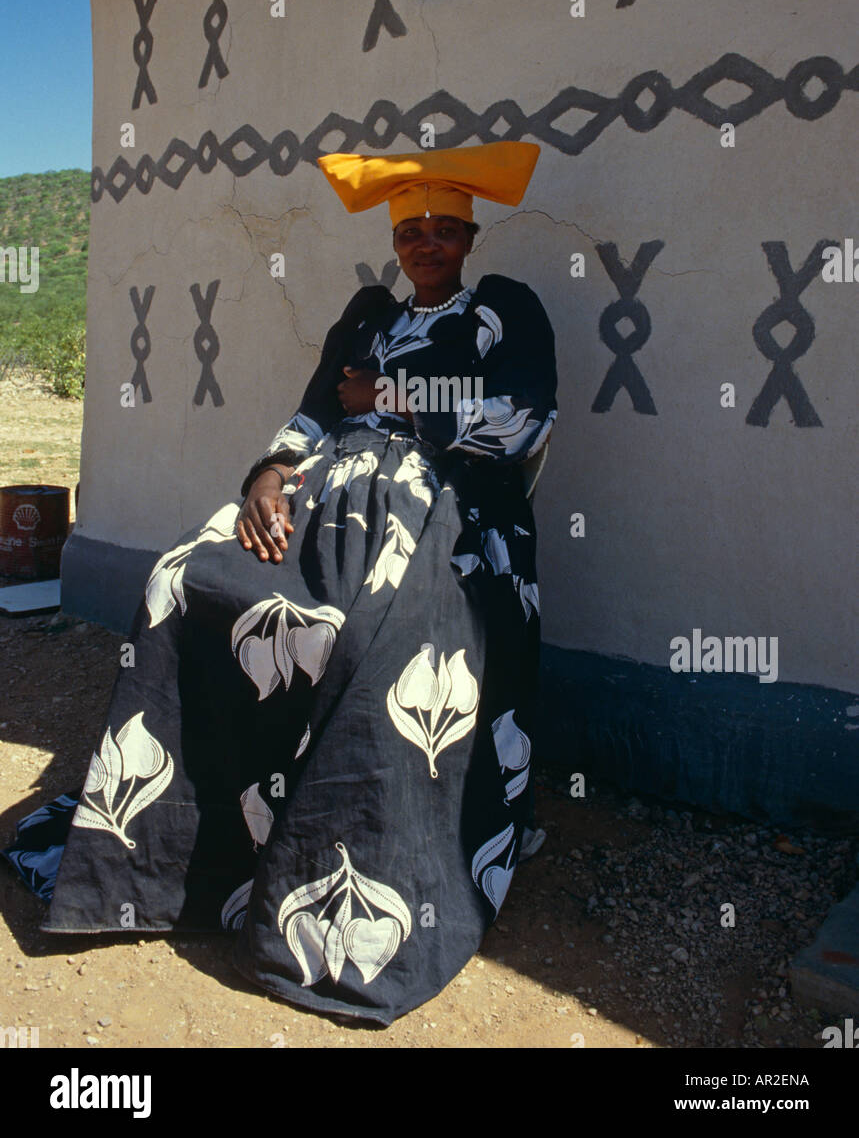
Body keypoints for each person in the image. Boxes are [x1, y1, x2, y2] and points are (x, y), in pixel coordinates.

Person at [3, 140, 558, 1026]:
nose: (424, 241)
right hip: (326, 491)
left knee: (373, 631)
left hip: (451, 513)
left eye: (442, 228)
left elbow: (519, 419)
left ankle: (353, 885)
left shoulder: (503, 311)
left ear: (467, 235)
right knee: (180, 580)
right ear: (396, 239)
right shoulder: (368, 311)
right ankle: (185, 840)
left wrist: (389, 396)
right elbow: (312, 411)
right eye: (410, 228)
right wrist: (266, 472)